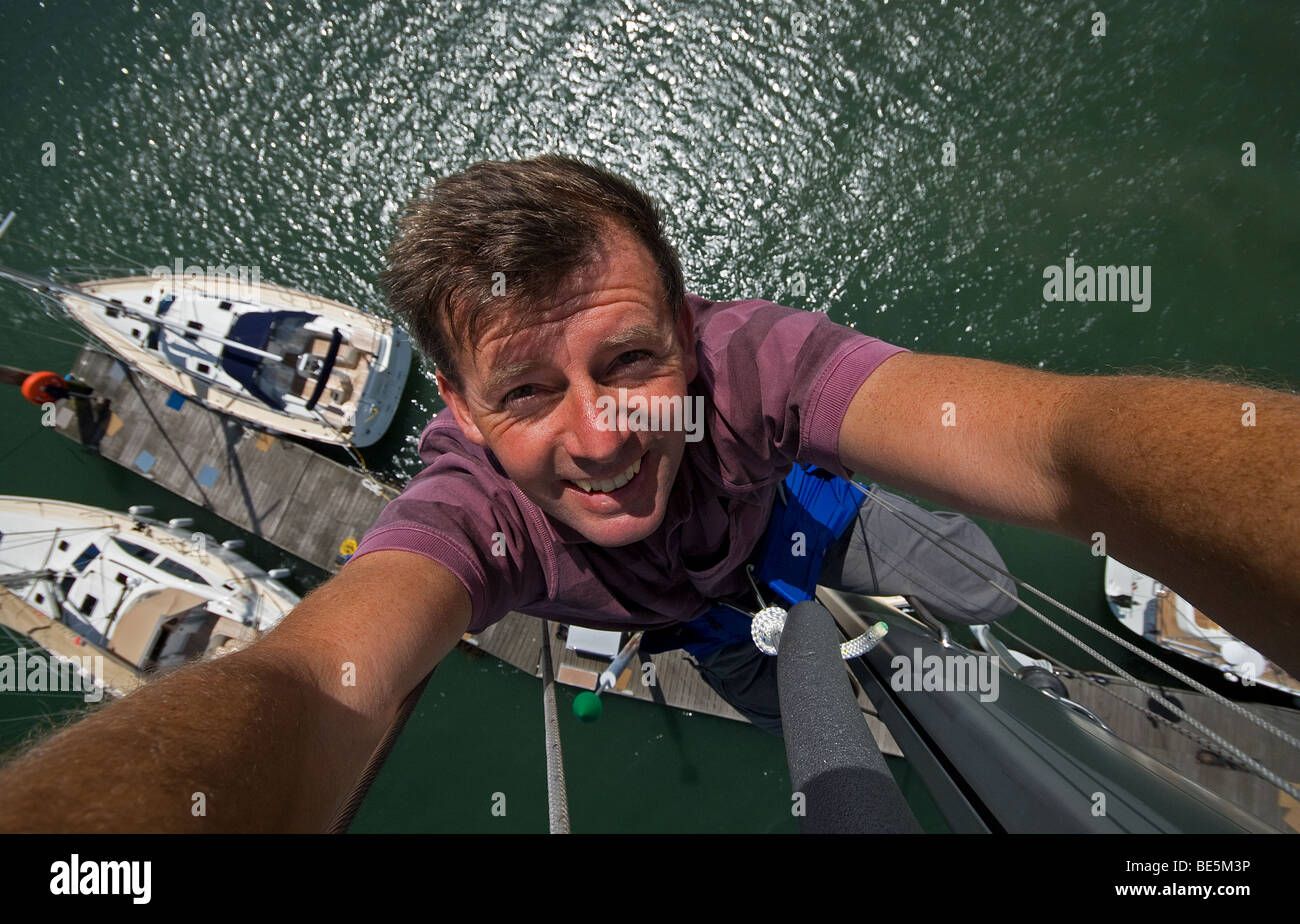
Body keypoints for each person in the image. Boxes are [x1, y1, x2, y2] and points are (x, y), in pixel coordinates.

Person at [0, 155, 1296, 832]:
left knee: (962, 571)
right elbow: (325, 681)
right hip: (697, 623)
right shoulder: (473, 516)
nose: (604, 436)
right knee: (779, 682)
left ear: (686, 329)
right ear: (455, 414)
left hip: (796, 517)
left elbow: (1060, 444)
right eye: (526, 392)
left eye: (629, 361)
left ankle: (852, 553)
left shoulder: (754, 360)